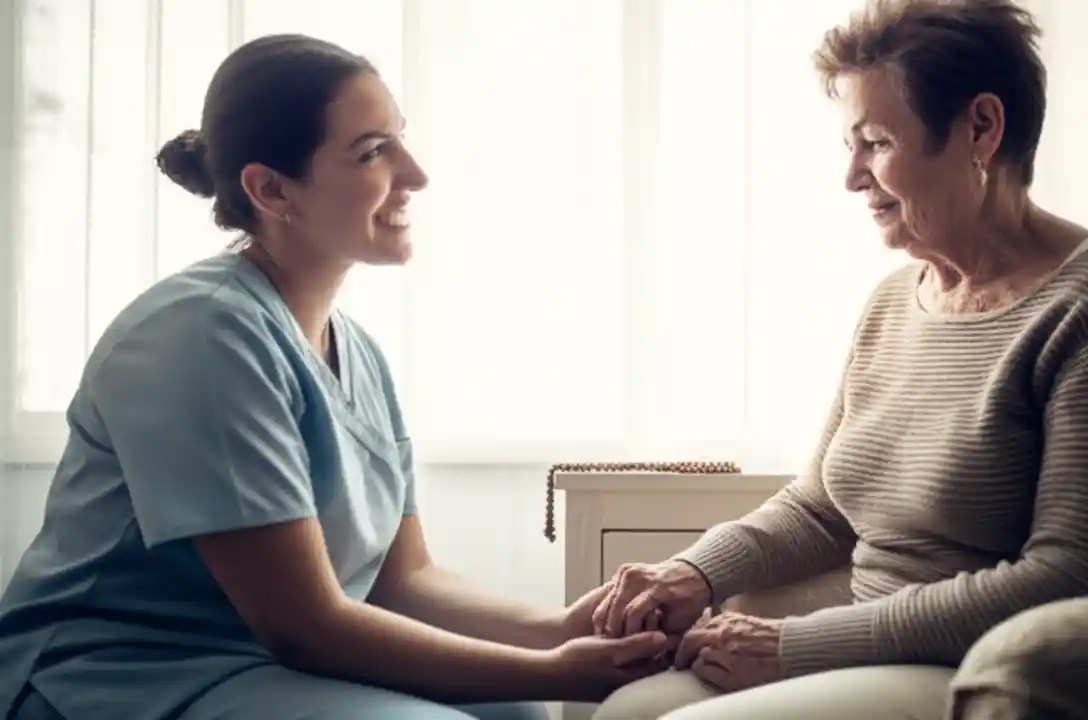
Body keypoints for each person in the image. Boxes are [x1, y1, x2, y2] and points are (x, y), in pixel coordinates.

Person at [0, 34, 668, 720]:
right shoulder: (200, 334)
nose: (415, 173)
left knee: (518, 709)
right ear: (270, 188)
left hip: (261, 666)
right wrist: (553, 669)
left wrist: (558, 632)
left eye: (400, 140)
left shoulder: (358, 354)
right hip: (121, 673)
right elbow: (304, 623)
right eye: (374, 151)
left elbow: (403, 580)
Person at [588, 1, 1088, 718]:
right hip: (885, 647)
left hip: (1025, 669)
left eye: (877, 142)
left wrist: (799, 644)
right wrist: (694, 572)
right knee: (629, 707)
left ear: (981, 128)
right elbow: (821, 509)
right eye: (851, 145)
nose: (853, 176)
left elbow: (1083, 579)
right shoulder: (894, 301)